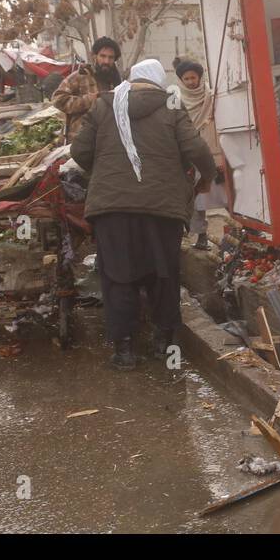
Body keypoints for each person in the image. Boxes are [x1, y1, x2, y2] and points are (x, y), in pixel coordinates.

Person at [71, 59, 216, 370]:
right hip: (162, 207)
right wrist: (207, 177)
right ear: (158, 81)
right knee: (164, 275)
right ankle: (165, 345)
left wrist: (106, 172)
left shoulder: (103, 106)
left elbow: (79, 152)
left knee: (118, 277)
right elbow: (196, 149)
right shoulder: (171, 106)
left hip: (112, 209)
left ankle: (124, 352)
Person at [173, 59, 226, 250]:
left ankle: (243, 229)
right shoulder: (175, 96)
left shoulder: (210, 94)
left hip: (214, 150)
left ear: (199, 77)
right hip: (190, 151)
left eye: (193, 77)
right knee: (196, 197)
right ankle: (201, 236)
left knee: (227, 193)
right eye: (186, 78)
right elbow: (171, 123)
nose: (190, 82)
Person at [53, 36, 122, 141]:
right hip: (81, 139)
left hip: (107, 138)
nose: (106, 61)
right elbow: (58, 99)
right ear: (95, 56)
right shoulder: (80, 76)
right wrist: (89, 100)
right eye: (102, 56)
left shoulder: (116, 81)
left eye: (110, 57)